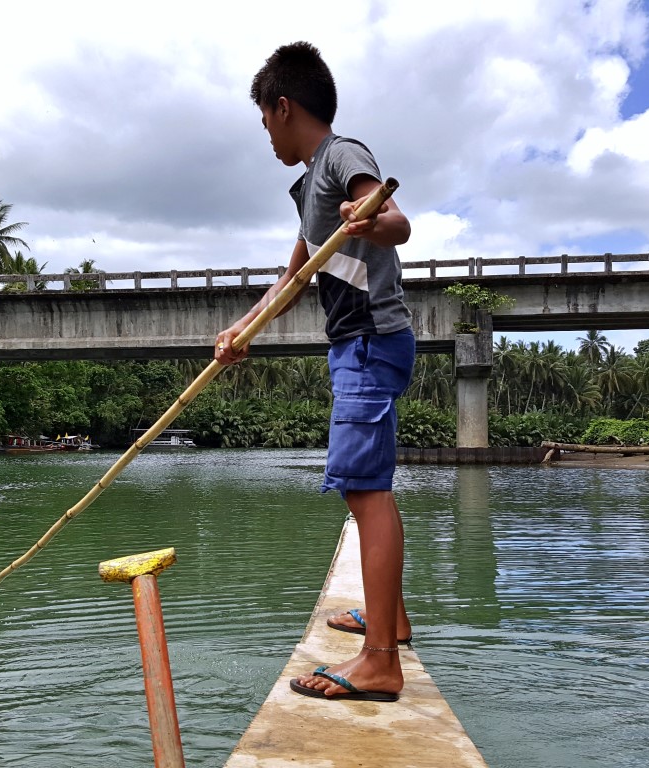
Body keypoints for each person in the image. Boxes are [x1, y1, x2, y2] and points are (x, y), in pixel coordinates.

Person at [214, 41, 413, 702]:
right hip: (360, 343)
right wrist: (242, 330)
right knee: (371, 488)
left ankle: (379, 658)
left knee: (364, 492)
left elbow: (396, 221)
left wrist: (374, 219)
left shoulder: (340, 156)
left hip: (367, 341)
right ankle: (393, 619)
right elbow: (295, 276)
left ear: (282, 106)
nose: (266, 136)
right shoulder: (309, 190)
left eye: (265, 122)